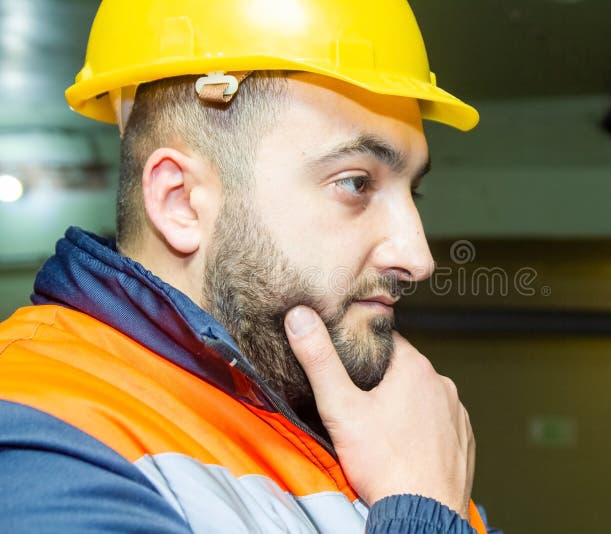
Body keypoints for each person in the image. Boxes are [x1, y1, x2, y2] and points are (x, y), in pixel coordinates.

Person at [0, 1, 494, 532]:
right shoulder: (41, 434)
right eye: (356, 182)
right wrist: (424, 515)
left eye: (411, 190)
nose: (417, 258)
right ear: (181, 202)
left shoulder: (392, 441)